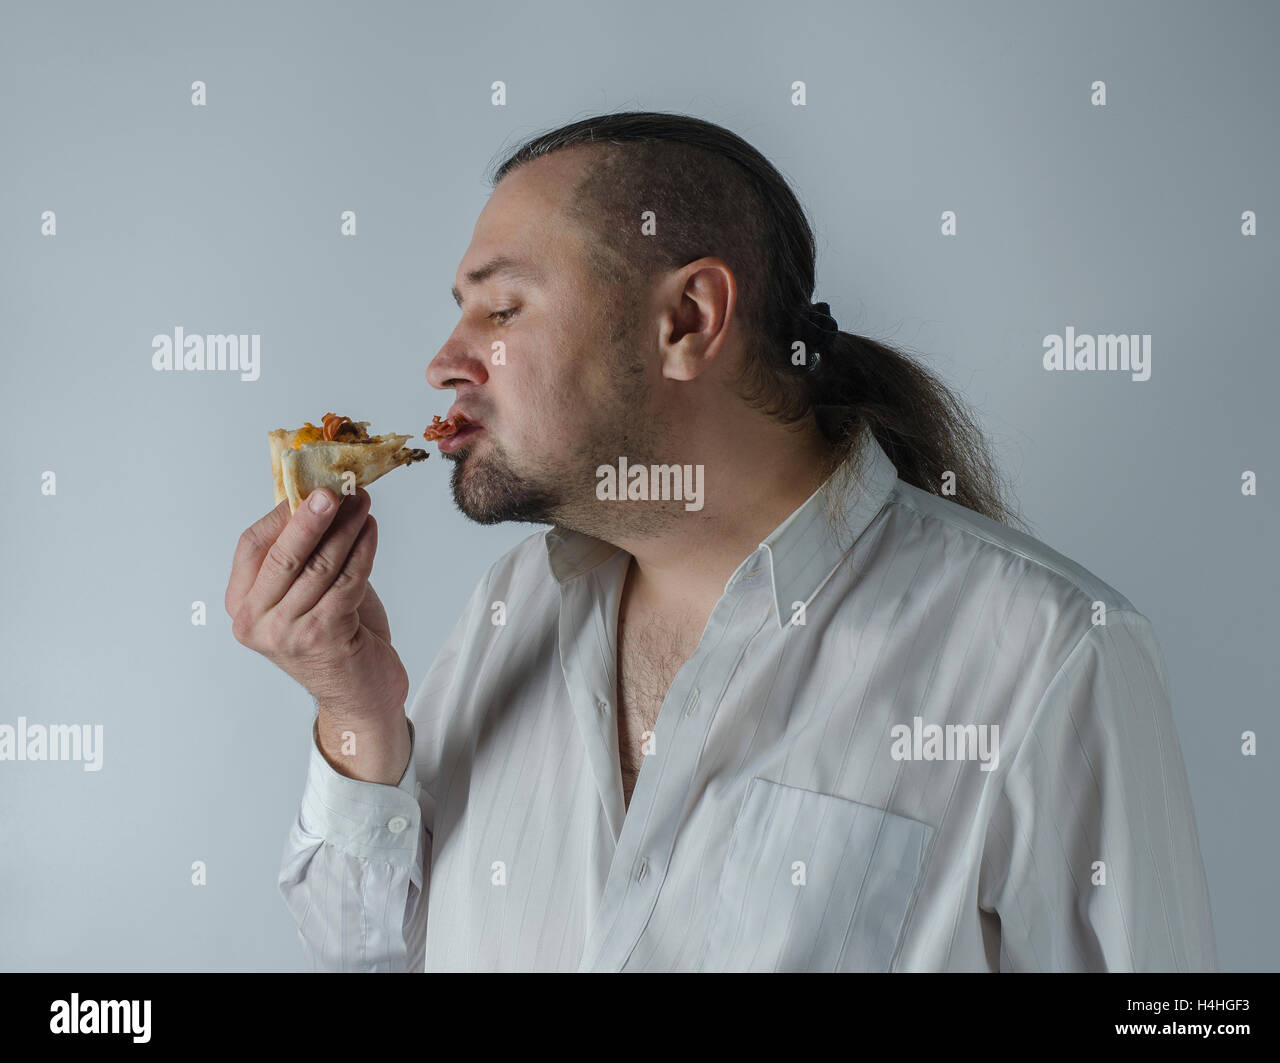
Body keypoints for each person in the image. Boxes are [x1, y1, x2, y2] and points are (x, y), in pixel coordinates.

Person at [227, 111, 1218, 972]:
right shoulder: (511, 608)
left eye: (499, 307)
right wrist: (354, 709)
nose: (445, 364)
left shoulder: (1048, 655)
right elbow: (371, 956)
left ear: (688, 319)